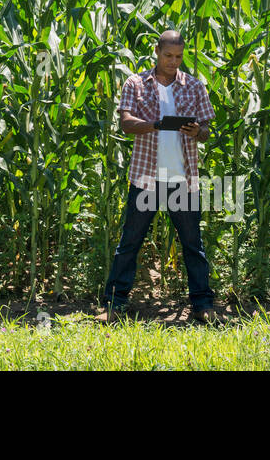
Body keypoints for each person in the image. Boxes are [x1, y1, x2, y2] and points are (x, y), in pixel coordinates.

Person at [103, 30, 221, 324]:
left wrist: (197, 132)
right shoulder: (136, 84)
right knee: (130, 242)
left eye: (179, 56)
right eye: (168, 55)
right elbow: (126, 122)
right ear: (157, 51)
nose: (173, 61)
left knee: (193, 244)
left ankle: (202, 306)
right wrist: (155, 125)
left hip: (183, 179)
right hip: (146, 179)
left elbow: (206, 131)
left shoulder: (194, 86)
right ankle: (114, 306)